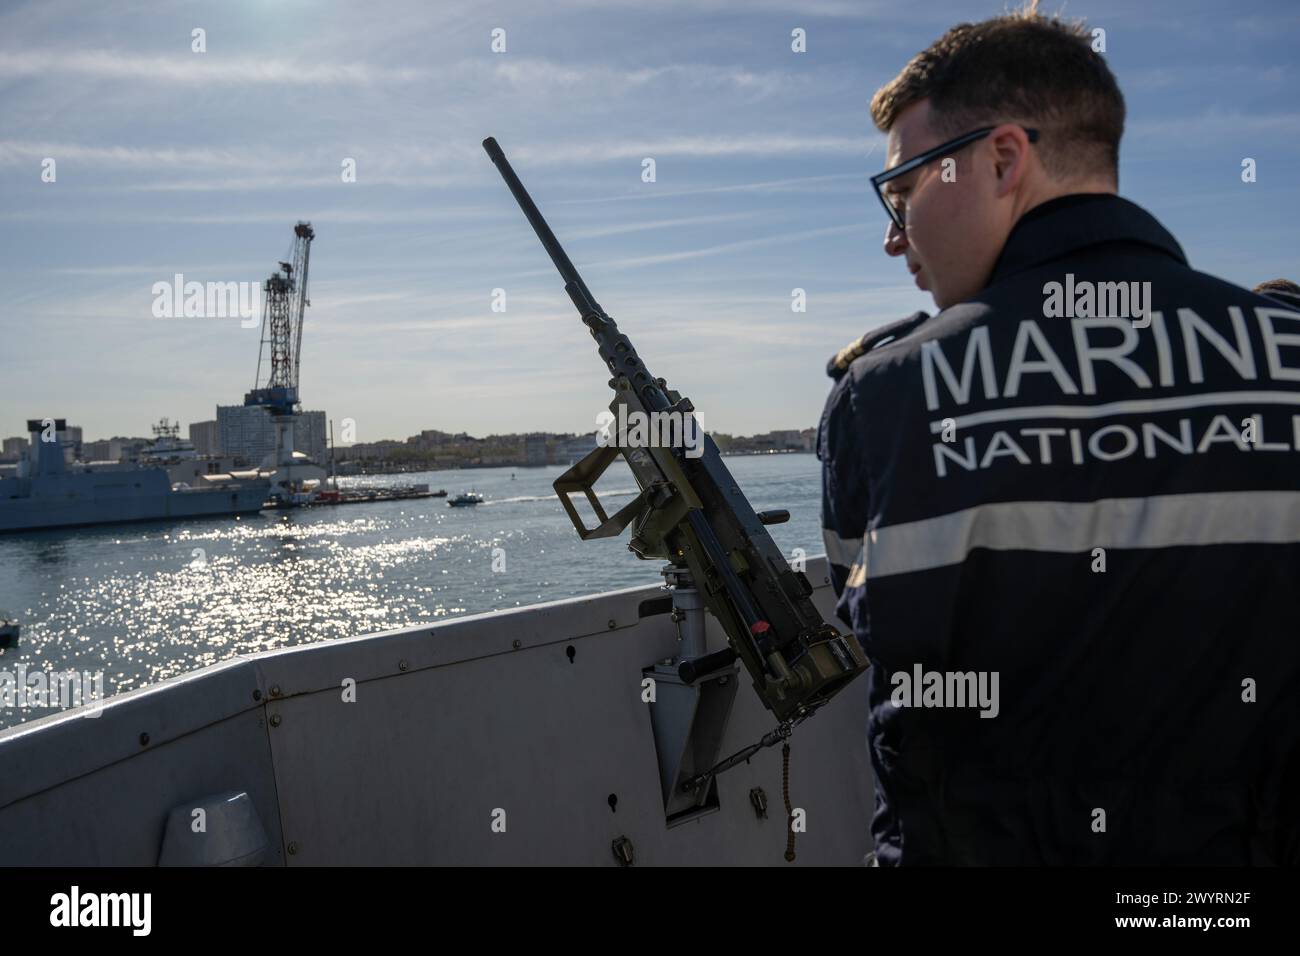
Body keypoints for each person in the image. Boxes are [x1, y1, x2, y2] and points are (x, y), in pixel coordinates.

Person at [818, 4, 1300, 865]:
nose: (895, 239)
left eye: (903, 191)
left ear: (1004, 159)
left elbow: (871, 630)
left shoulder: (884, 397)